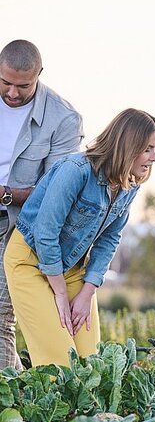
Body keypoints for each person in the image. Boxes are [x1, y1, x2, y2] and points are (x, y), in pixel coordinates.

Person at [4, 108, 155, 367]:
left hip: (71, 267)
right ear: (128, 145)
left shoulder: (129, 185)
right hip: (30, 261)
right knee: (59, 361)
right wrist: (59, 293)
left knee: (90, 361)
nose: (154, 157)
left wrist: (87, 292)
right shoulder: (75, 170)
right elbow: (46, 232)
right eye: (148, 148)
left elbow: (109, 241)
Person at [0, 39, 83, 370]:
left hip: (20, 224)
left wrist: (6, 194)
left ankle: (9, 404)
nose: (13, 93)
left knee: (2, 313)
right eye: (5, 82)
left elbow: (57, 191)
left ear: (39, 75)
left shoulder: (63, 118)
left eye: (23, 85)